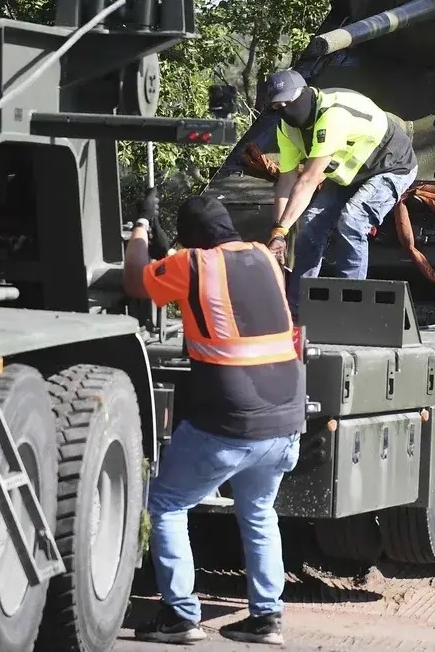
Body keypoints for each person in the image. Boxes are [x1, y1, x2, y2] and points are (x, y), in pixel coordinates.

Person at [123, 192, 305, 646]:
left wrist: (142, 227)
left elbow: (134, 280)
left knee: (165, 502)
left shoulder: (194, 266)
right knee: (260, 512)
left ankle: (180, 617)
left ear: (193, 242)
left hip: (230, 422)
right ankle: (266, 619)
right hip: (285, 420)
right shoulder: (264, 257)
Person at [264, 69, 418, 317]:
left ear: (304, 94)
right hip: (349, 172)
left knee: (352, 221)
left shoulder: (332, 116)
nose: (283, 110)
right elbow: (287, 182)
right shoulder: (286, 128)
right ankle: (296, 310)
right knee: (309, 224)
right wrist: (278, 233)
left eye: (287, 102)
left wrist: (282, 229)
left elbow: (309, 179)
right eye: (276, 106)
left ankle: (352, 307)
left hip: (390, 165)